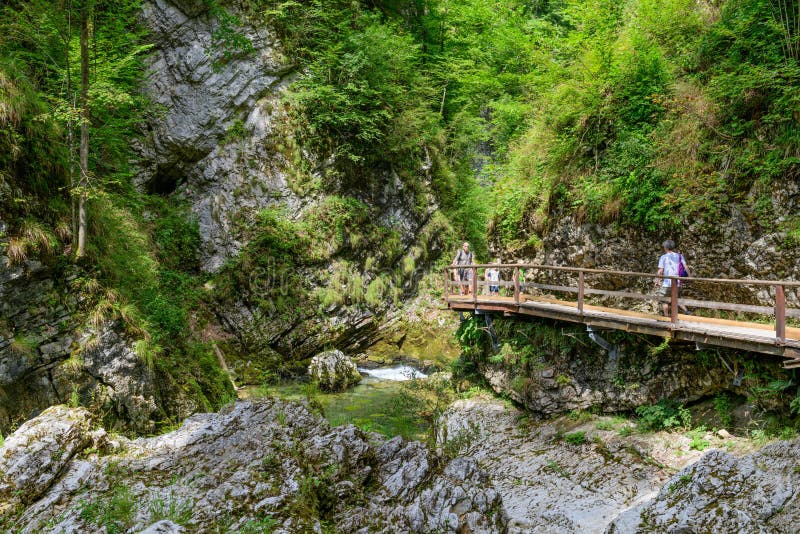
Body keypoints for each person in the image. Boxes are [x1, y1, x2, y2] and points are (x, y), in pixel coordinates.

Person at [654, 240, 690, 316]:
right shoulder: (679, 256)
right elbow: (686, 267)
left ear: (666, 247)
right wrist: (690, 277)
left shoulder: (663, 257)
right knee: (677, 298)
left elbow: (660, 271)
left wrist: (656, 281)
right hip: (678, 282)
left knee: (664, 300)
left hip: (667, 283)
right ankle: (687, 311)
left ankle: (666, 316)